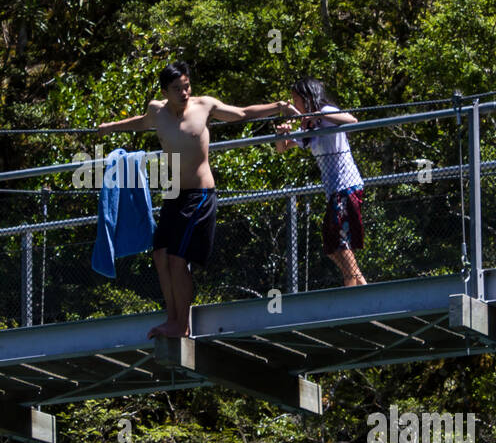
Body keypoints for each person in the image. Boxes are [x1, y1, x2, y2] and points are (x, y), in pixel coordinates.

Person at [97, 61, 295, 337]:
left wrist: (279, 106)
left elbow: (242, 113)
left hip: (199, 196)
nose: (184, 92)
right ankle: (173, 317)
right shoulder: (157, 111)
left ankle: (182, 325)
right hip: (174, 195)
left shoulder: (205, 106)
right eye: (177, 88)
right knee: (160, 254)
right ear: (165, 91)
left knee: (178, 260)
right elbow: (141, 123)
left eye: (187, 86)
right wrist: (110, 127)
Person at [275, 78, 367, 287]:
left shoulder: (326, 111)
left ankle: (354, 286)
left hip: (347, 185)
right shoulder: (306, 126)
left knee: (341, 241)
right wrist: (282, 134)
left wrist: (317, 115)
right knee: (331, 244)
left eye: (297, 99)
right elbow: (282, 148)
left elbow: (352, 121)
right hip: (333, 190)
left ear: (308, 98)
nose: (295, 104)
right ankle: (359, 282)